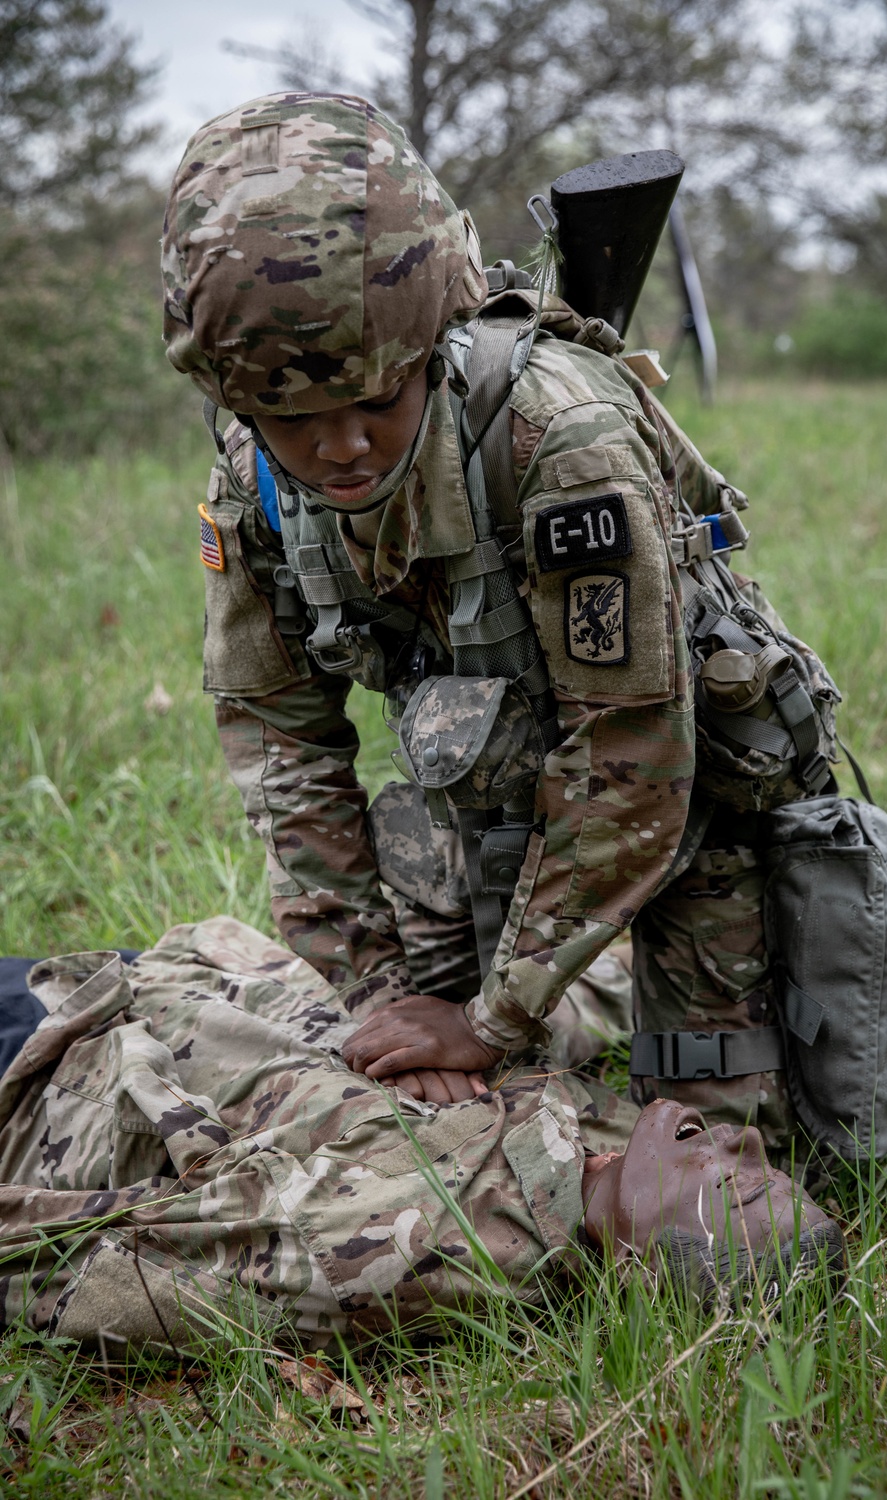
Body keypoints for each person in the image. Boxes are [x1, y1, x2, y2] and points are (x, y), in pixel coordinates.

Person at [161, 92, 838, 1152]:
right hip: (491, 799)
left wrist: (490, 1016)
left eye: (377, 403)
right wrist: (382, 1001)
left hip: (687, 809)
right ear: (238, 403)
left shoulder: (560, 445)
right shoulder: (253, 492)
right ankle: (554, 986)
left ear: (432, 346)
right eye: (294, 421)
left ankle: (585, 987)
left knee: (708, 1164)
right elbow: (282, 748)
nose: (341, 447)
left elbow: (633, 747)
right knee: (423, 1113)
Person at [0, 918, 841, 1349]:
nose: (745, 1146)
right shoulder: (610, 1156)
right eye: (761, 1158)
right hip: (181, 984)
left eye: (735, 1187)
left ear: (631, 1270)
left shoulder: (390, 1247)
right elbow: (592, 997)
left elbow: (77, 1269)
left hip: (56, 1061)